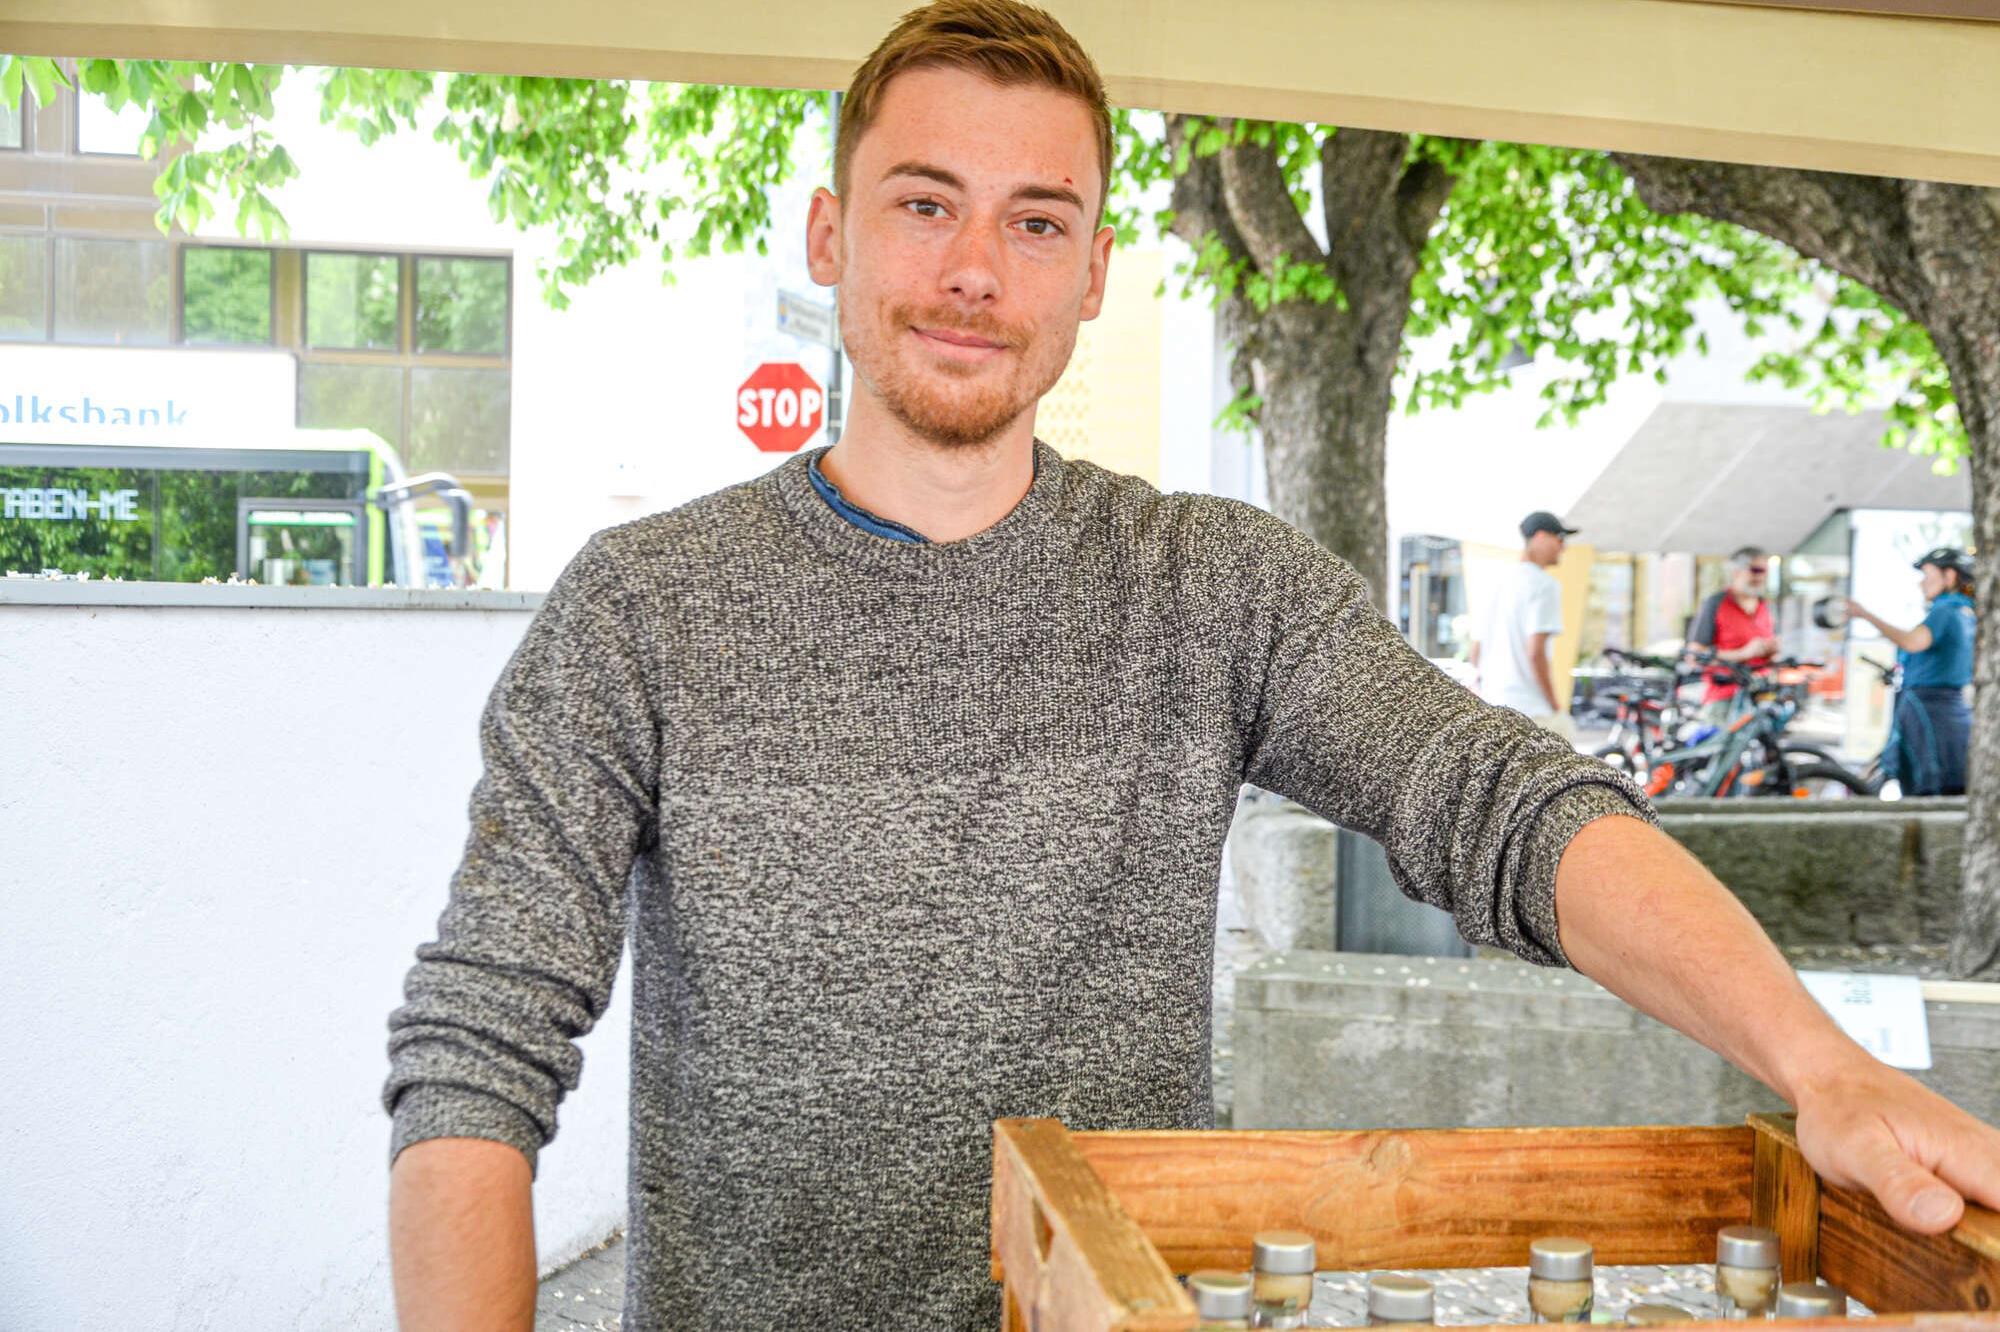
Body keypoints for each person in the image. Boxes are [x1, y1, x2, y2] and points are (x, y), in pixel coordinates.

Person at [383, 5, 2000, 1329]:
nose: (973, 271)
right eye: (925, 202)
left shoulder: (1213, 586)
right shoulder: (643, 607)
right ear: (831, 231)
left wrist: (1824, 1065)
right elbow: (479, 1041)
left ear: (1094, 277)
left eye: (1038, 223)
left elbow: (1502, 806)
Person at [1847, 546, 1977, 796]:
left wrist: (1864, 614)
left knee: (1926, 783)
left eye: (1928, 576)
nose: (1921, 584)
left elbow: (1912, 641)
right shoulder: (1968, 612)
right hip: (1954, 710)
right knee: (1950, 781)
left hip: (1928, 707)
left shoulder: (1945, 611)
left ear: (1949, 576)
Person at [1470, 511, 1576, 740]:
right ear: (1539, 537)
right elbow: (1536, 652)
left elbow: (1476, 650)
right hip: (1532, 711)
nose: (1563, 547)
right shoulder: (1544, 585)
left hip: (1492, 707)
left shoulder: (1496, 582)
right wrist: (1556, 706)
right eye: (1559, 539)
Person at [1687, 546, 1782, 720]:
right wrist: (1743, 653)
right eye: (1756, 570)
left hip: (1760, 695)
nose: (1761, 576)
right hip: (1725, 698)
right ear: (1737, 571)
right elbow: (1694, 656)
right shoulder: (1715, 603)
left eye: (1765, 571)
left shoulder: (1766, 607)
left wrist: (1772, 651)